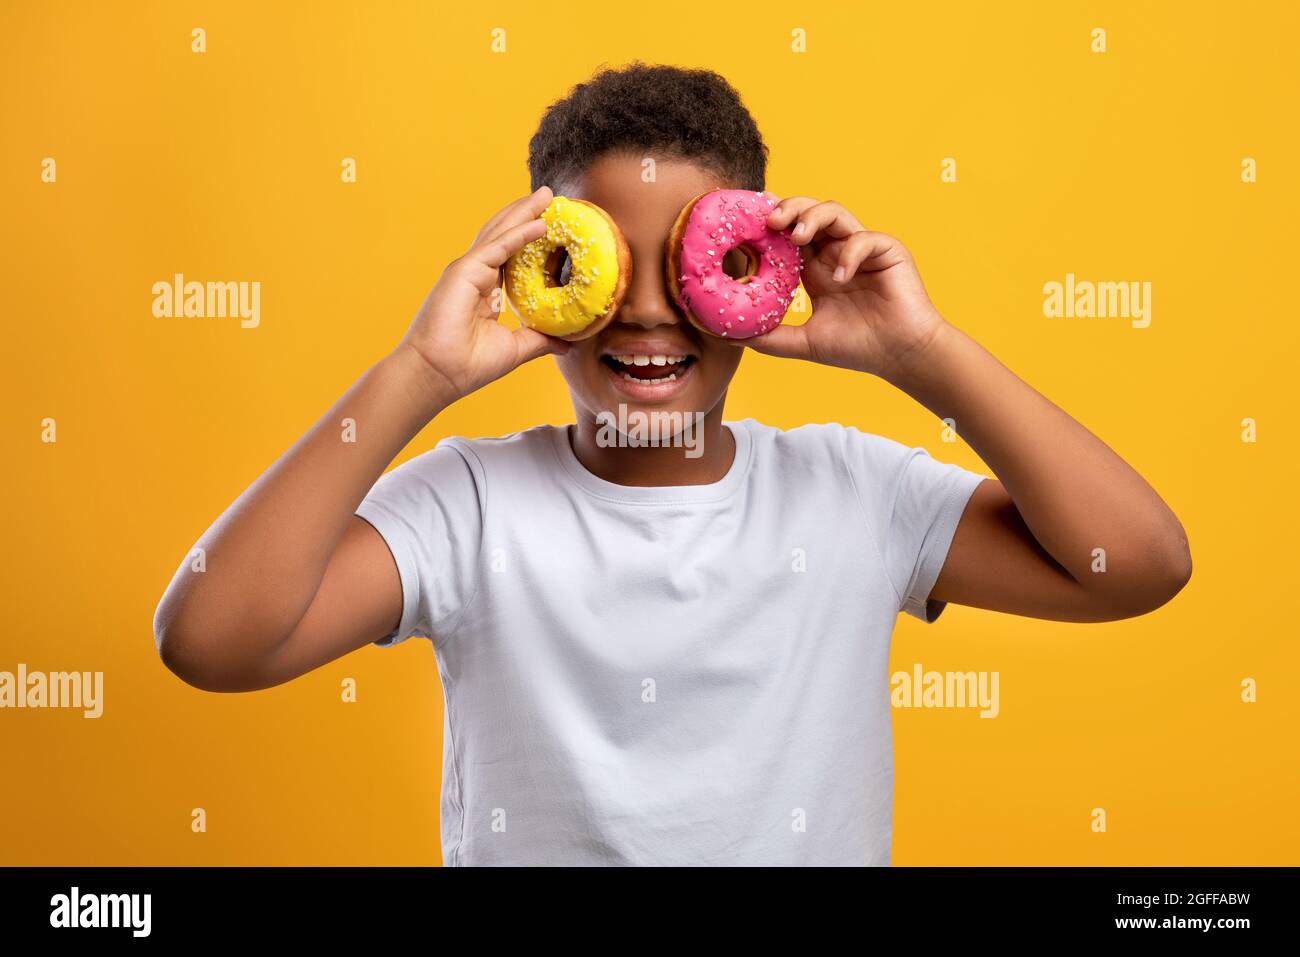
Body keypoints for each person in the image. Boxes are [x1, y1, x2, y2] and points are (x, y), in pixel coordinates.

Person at [154, 63, 1191, 866]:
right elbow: (209, 641)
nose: (648, 307)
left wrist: (922, 352)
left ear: (763, 270)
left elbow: (1138, 564)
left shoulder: (853, 495)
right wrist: (420, 371)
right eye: (596, 267)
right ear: (528, 270)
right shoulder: (468, 507)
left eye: (692, 266)